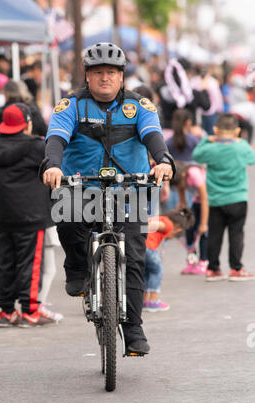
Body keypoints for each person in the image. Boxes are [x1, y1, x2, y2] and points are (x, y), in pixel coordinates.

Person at [41, 42, 175, 355]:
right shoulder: (70, 105)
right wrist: (54, 165)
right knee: (66, 217)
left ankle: (133, 330)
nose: (105, 78)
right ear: (87, 76)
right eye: (98, 72)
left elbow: (154, 136)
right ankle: (76, 267)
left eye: (111, 73)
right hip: (81, 186)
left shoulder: (140, 106)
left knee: (136, 259)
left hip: (130, 189)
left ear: (121, 76)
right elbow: (56, 139)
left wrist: (165, 161)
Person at [0, 103, 55, 326]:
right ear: (27, 123)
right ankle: (30, 310)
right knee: (30, 263)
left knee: (5, 260)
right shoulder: (37, 147)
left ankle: (5, 311)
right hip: (31, 214)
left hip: (3, 213)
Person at [192, 113, 255, 281]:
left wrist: (207, 140)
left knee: (215, 234)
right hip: (237, 198)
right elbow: (252, 158)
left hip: (215, 199)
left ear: (215, 130)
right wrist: (240, 140)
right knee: (236, 234)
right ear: (237, 131)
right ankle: (236, 268)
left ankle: (213, 269)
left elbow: (196, 155)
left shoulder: (210, 148)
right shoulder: (241, 147)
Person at [143, 208, 195, 312]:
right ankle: (153, 301)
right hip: (149, 248)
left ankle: (145, 301)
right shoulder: (168, 224)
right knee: (157, 271)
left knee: (147, 272)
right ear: (177, 228)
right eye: (176, 234)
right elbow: (154, 225)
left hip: (141, 247)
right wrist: (144, 228)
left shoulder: (162, 219)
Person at [173, 161, 209, 275]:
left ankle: (204, 262)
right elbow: (183, 202)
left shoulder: (194, 173)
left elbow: (204, 199)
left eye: (180, 185)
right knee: (189, 229)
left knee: (203, 232)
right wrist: (181, 218)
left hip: (208, 202)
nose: (180, 187)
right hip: (196, 201)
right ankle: (192, 261)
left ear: (184, 176)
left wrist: (203, 223)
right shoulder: (178, 177)